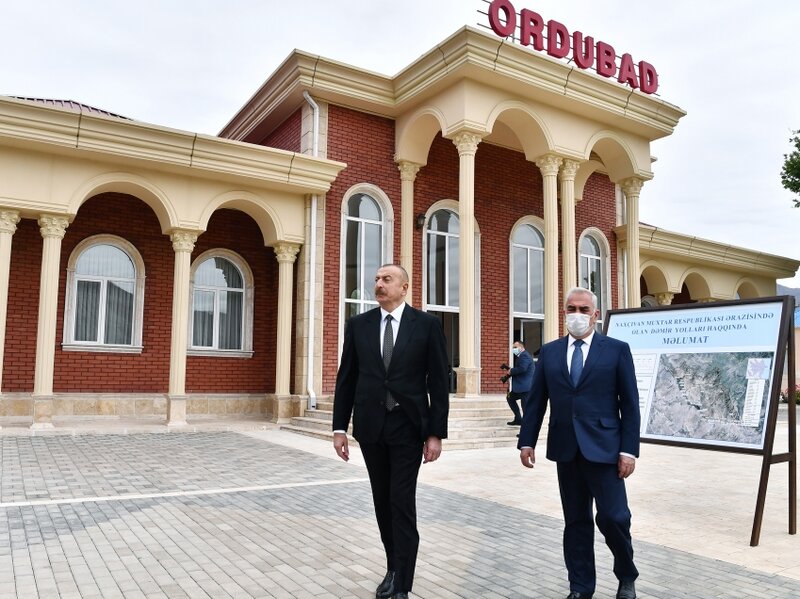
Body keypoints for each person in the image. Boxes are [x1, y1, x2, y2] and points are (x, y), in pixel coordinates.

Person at [333, 264, 449, 599]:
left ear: (405, 287)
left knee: (401, 502)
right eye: (377, 280)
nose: (379, 285)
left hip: (407, 427)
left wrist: (435, 433)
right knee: (382, 502)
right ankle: (393, 566)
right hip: (371, 428)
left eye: (387, 280)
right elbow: (347, 379)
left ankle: (403, 584)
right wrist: (340, 428)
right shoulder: (359, 325)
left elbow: (439, 383)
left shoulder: (426, 326)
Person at [518, 287, 640, 599]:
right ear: (564, 313)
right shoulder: (550, 351)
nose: (577, 314)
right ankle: (581, 587)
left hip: (606, 450)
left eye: (584, 309)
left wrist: (628, 450)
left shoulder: (616, 350)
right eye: (571, 308)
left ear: (595, 315)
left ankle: (626, 575)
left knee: (614, 517)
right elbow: (536, 401)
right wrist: (526, 441)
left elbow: (630, 404)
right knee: (576, 522)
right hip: (566, 449)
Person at [501, 340, 535, 425]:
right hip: (520, 387)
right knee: (510, 398)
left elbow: (523, 368)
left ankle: (526, 431)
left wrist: (511, 371)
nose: (513, 349)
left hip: (526, 388)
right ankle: (518, 419)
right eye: (513, 348)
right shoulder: (521, 356)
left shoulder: (525, 356)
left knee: (526, 409)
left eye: (515, 347)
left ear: (521, 347)